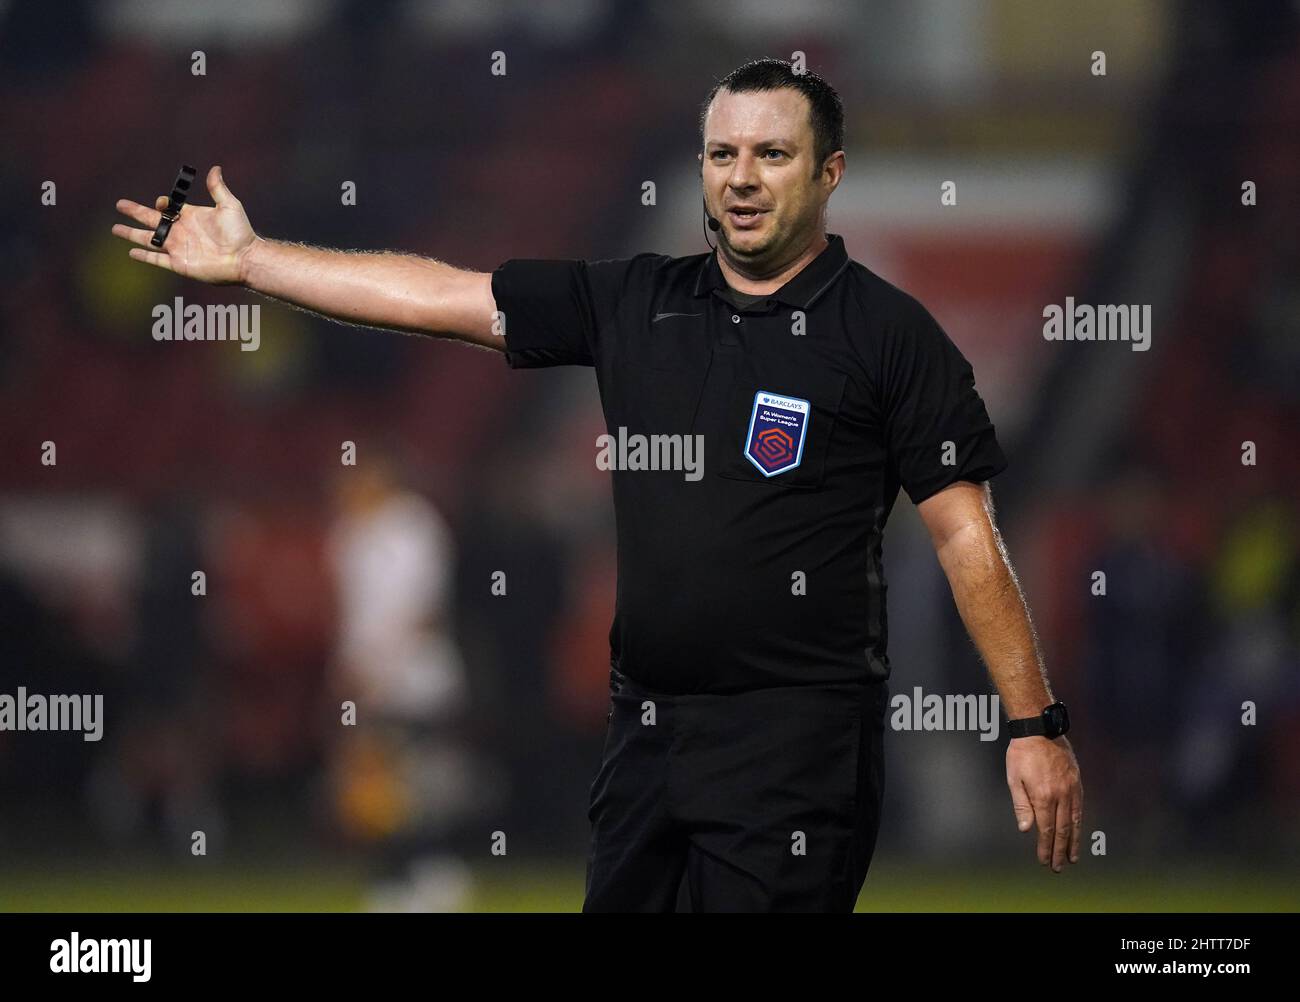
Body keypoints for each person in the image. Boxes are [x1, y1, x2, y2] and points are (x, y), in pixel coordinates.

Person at [112, 57, 1083, 913]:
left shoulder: (887, 338)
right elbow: (445, 294)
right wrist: (253, 262)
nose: (741, 177)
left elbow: (965, 538)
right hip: (648, 739)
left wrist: (1033, 724)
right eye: (721, 154)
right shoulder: (634, 304)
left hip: (798, 747)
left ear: (830, 173)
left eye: (772, 155)